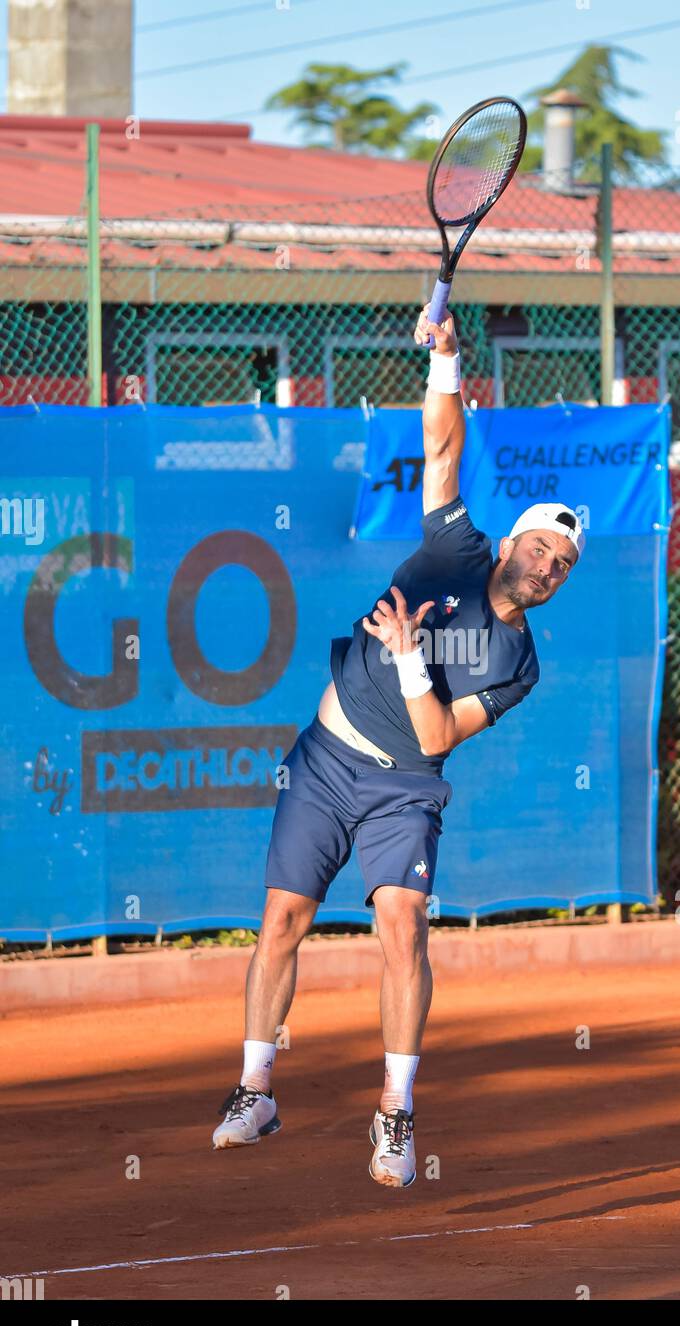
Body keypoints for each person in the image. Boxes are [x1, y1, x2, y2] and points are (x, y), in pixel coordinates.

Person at [212, 304, 585, 1187]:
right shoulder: (454, 544)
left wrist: (413, 659)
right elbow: (445, 445)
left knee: (402, 926)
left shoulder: (517, 663)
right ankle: (255, 1089)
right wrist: (446, 358)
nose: (548, 567)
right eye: (541, 547)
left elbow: (435, 735)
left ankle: (394, 1115)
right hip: (323, 762)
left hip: (404, 790)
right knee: (281, 921)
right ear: (511, 541)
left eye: (562, 566)